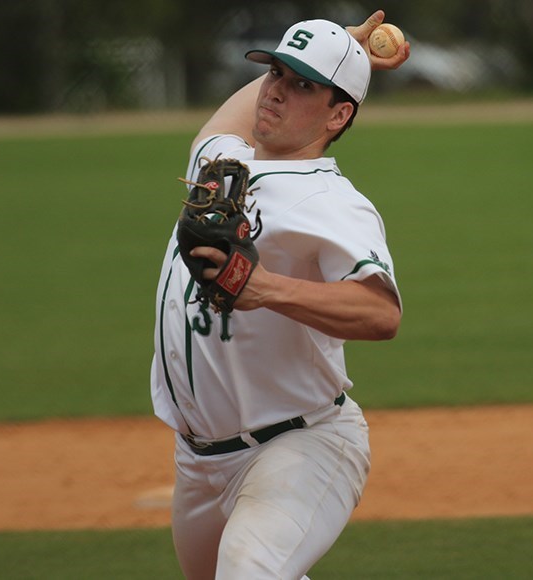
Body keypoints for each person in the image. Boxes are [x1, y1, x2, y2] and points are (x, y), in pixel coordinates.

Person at [150, 9, 410, 580]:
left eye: (302, 85)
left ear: (339, 114)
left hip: (300, 445)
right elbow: (219, 124)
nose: (274, 93)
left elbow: (380, 312)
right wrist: (346, 46)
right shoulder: (225, 165)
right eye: (274, 74)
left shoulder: (333, 202)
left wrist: (265, 287)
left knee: (249, 572)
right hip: (199, 461)